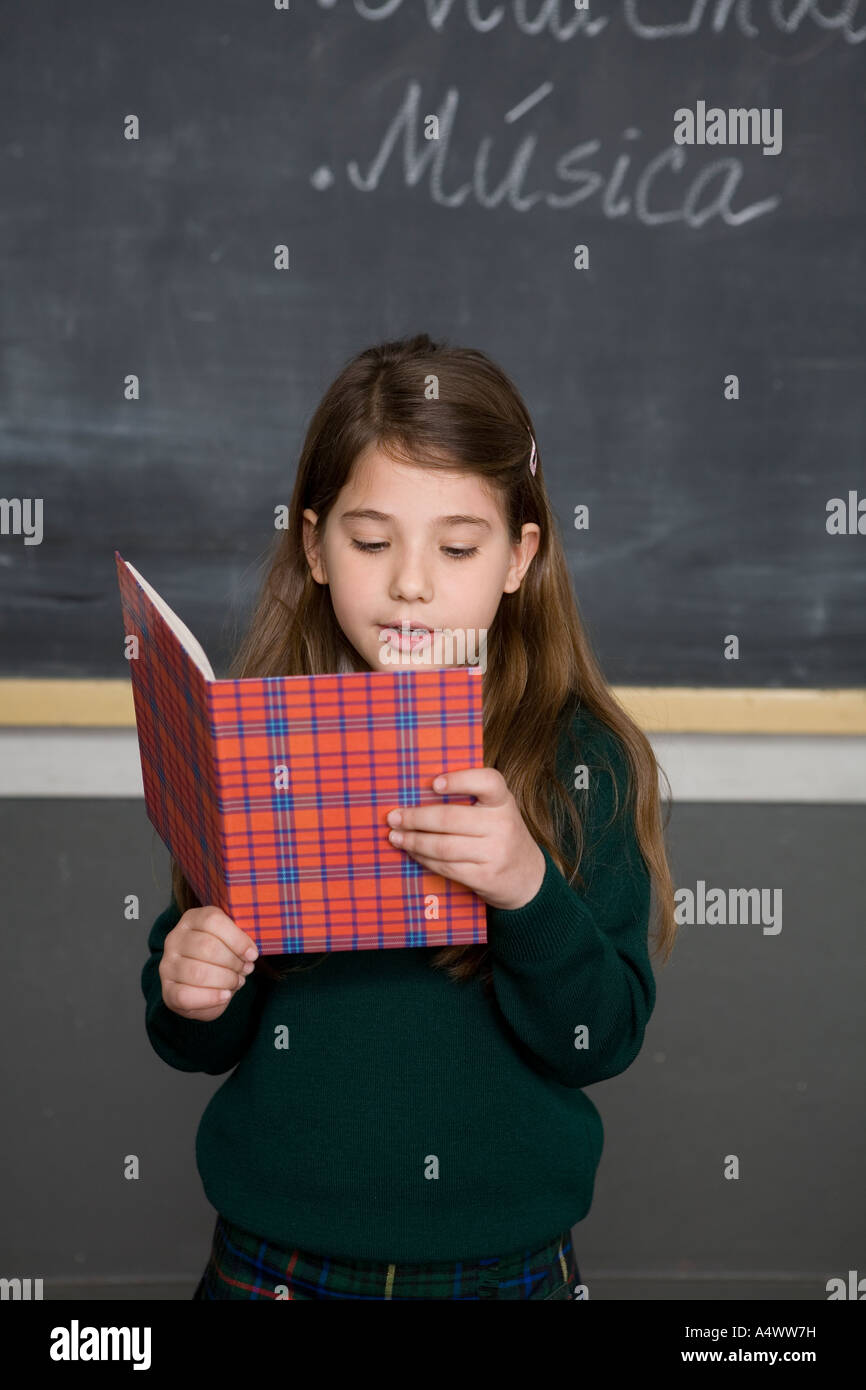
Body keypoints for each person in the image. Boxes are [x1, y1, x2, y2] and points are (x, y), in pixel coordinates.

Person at [141, 332, 677, 1300]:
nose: (411, 583)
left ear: (519, 556)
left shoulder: (577, 755)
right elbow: (195, 1042)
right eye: (371, 540)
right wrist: (187, 982)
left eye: (458, 546)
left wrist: (524, 889)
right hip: (276, 1265)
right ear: (313, 545)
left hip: (503, 1267)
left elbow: (599, 1040)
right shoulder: (254, 740)